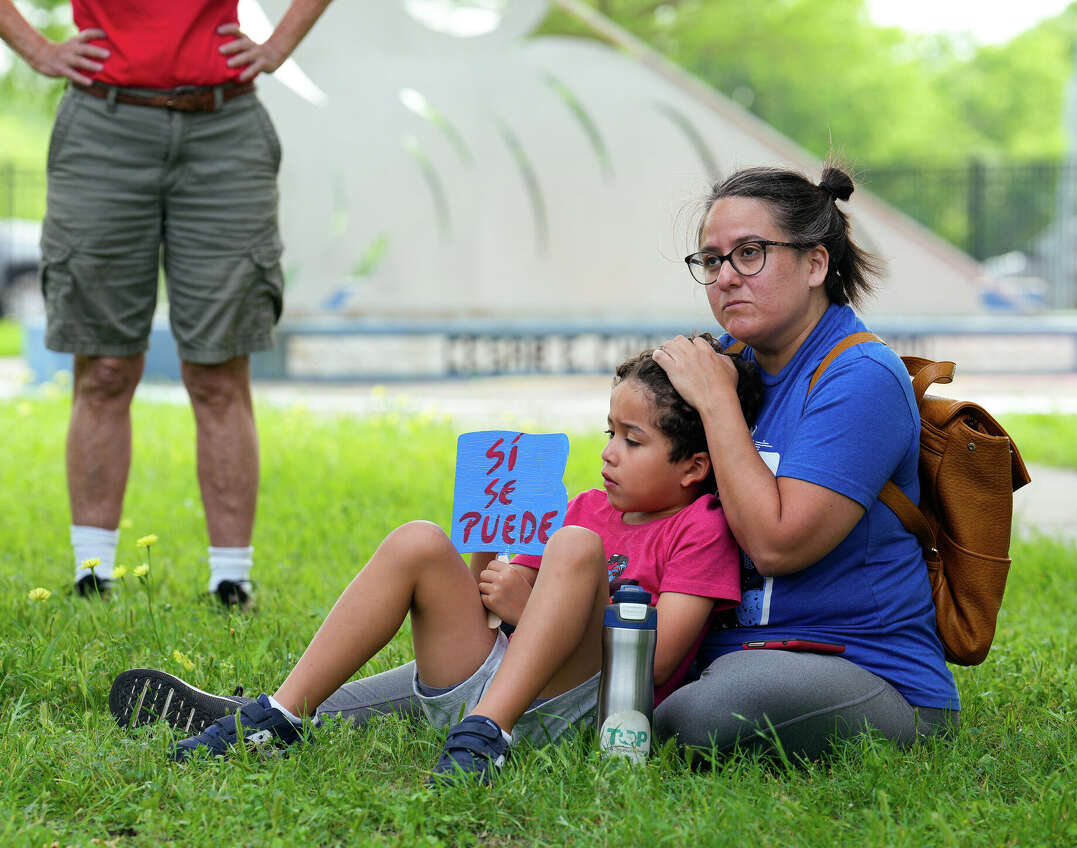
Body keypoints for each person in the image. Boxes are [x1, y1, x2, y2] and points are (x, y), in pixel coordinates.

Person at [109, 340, 763, 783]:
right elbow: (491, 596)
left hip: (585, 709)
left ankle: (486, 734)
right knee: (420, 539)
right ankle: (281, 714)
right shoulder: (587, 504)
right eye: (608, 433)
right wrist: (486, 550)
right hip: (500, 675)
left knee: (574, 547)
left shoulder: (701, 528)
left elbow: (661, 658)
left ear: (693, 467)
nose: (611, 452)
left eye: (634, 440)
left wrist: (531, 605)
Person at [0, 0, 335, 605]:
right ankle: (93, 574)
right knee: (103, 367)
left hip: (225, 128)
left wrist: (279, 43)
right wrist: (36, 49)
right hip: (103, 127)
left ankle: (231, 578)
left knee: (218, 368)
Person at [649, 164, 960, 760]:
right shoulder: (728, 363)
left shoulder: (860, 377)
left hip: (860, 669)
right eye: (712, 261)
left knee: (699, 714)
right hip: (711, 650)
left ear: (816, 265)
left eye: (749, 253)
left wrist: (716, 405)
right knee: (461, 677)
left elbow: (777, 546)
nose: (725, 278)